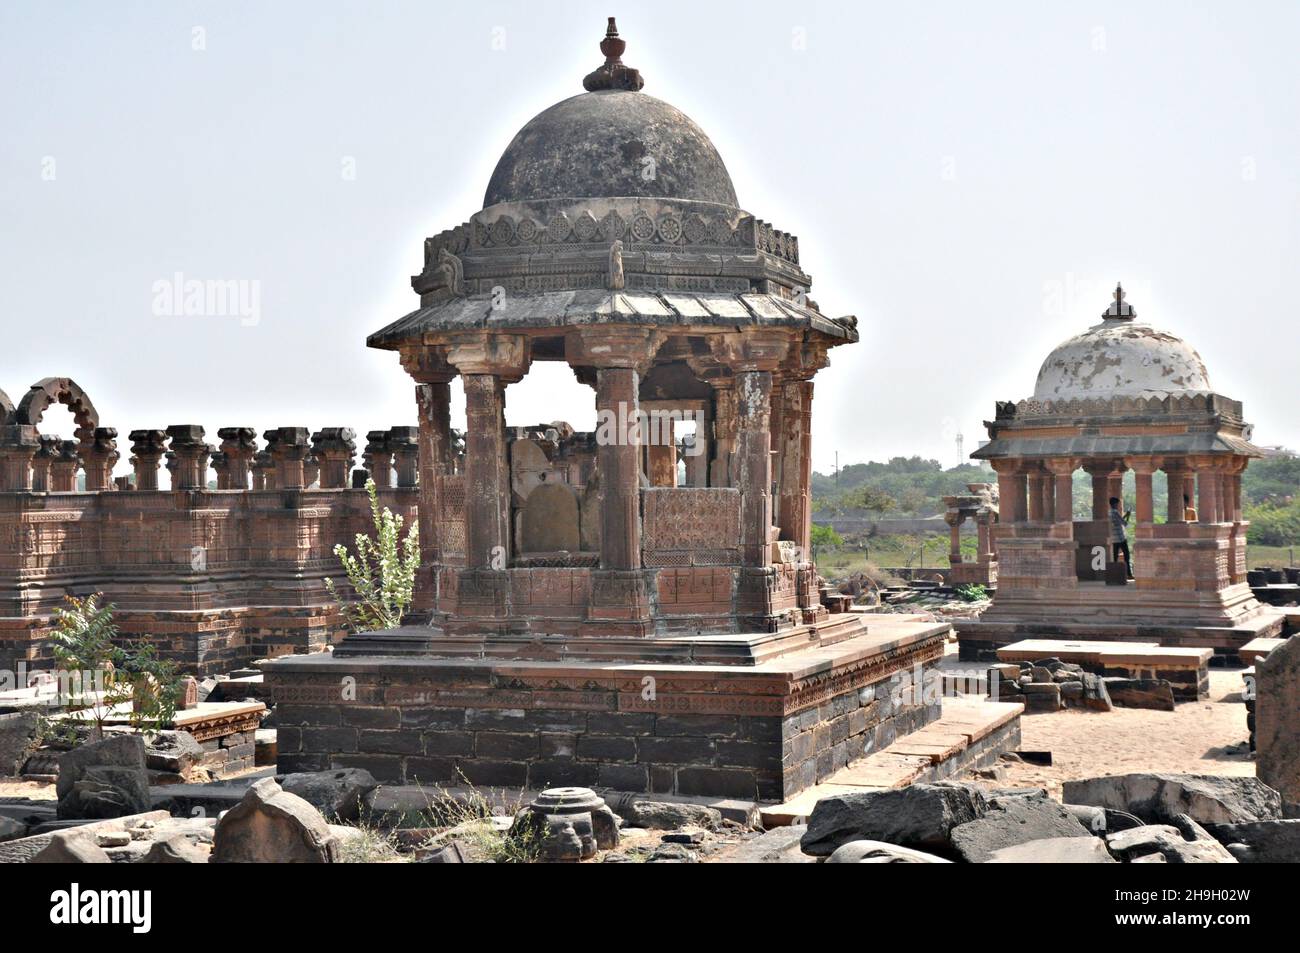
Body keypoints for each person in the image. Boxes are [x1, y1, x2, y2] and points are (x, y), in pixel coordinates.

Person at [1109, 496, 1133, 579]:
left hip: (1114, 538)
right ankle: (1129, 574)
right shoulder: (1115, 512)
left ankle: (1114, 575)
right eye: (1117, 504)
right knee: (1127, 556)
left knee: (1115, 557)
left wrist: (1125, 515)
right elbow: (1125, 524)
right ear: (1115, 504)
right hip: (1121, 538)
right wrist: (1128, 516)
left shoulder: (1110, 513)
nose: (1118, 505)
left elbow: (1117, 522)